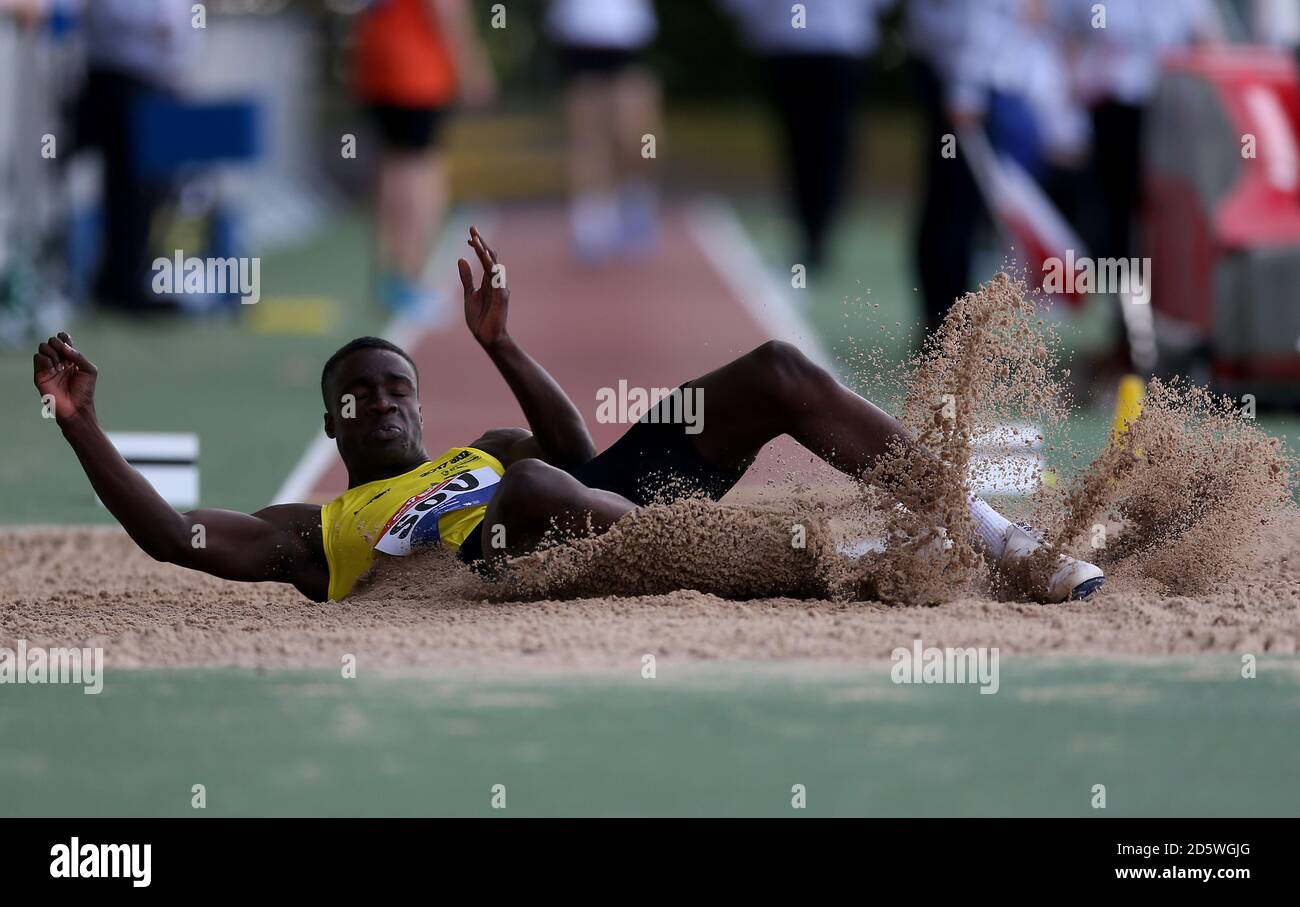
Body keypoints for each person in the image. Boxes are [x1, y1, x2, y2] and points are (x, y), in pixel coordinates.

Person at [33, 226, 1104, 604]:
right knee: (530, 483)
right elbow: (173, 538)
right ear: (332, 427)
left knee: (774, 366)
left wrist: (501, 347)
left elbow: (586, 460)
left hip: (594, 506)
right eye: (355, 394)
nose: (382, 401)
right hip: (513, 554)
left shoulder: (478, 445)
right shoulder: (314, 537)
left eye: (398, 384)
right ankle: (836, 551)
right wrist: (83, 422)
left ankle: (994, 537)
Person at [353, 0, 496, 314]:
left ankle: (390, 277)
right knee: (422, 174)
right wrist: (471, 67)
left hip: (376, 66)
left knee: (393, 170)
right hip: (416, 71)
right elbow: (445, 9)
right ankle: (412, 279)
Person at [725, 0, 887, 272]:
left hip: (823, 45)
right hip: (809, 46)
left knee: (822, 145)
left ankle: (818, 228)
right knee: (811, 145)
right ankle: (814, 228)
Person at [546, 0, 661, 264]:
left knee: (636, 135)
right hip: (580, 37)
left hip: (629, 36)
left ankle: (634, 199)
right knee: (588, 139)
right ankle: (592, 222)